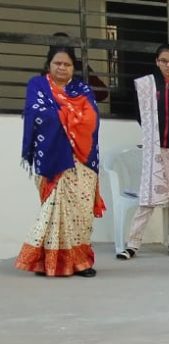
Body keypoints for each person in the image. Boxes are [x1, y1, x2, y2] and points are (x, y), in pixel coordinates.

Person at [15, 44, 104, 278]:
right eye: (58, 63)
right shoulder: (38, 85)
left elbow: (91, 118)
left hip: (81, 161)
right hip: (52, 159)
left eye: (67, 64)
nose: (62, 68)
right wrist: (70, 115)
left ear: (73, 68)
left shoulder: (82, 89)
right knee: (52, 212)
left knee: (80, 213)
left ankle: (81, 262)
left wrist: (63, 115)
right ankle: (46, 262)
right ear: (49, 65)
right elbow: (37, 114)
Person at [117, 44, 169, 260]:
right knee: (147, 198)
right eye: (163, 61)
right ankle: (133, 244)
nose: (168, 65)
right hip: (156, 149)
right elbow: (141, 116)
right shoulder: (148, 85)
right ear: (157, 62)